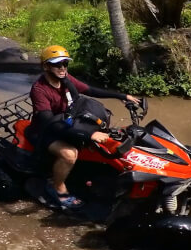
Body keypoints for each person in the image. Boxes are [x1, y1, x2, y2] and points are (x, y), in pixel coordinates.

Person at [29, 45, 140, 209]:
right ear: (46, 66)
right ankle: (56, 186)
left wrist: (121, 96)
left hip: (67, 123)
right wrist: (88, 135)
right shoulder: (39, 90)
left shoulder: (65, 79)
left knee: (107, 138)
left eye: (65, 64)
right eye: (57, 64)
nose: (62, 68)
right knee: (69, 154)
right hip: (46, 131)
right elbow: (48, 122)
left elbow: (90, 90)